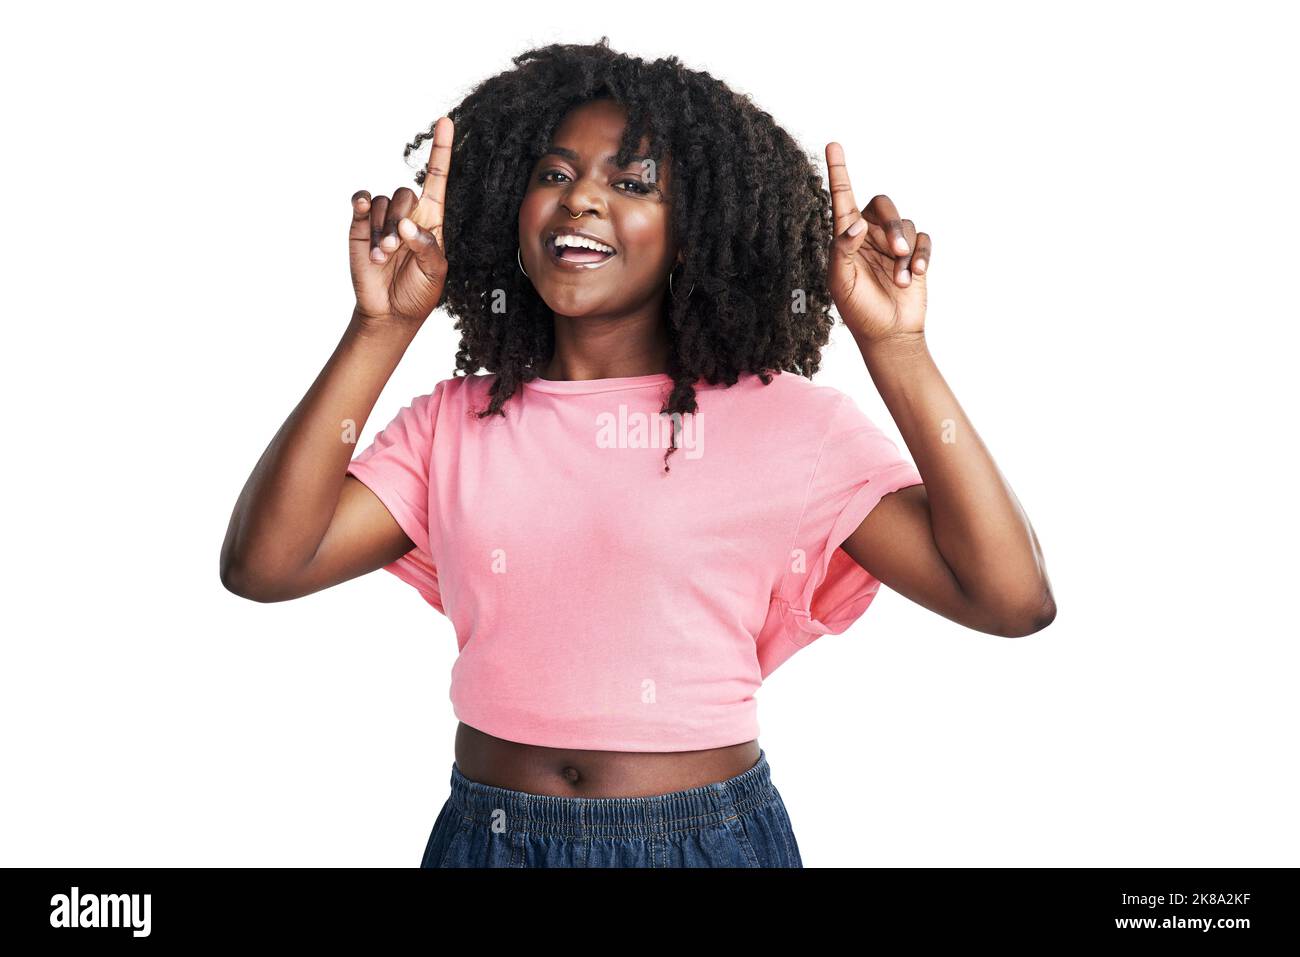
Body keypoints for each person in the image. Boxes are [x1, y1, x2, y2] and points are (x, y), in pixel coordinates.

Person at [219, 38, 1055, 868]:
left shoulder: (789, 425)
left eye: (631, 183)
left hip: (701, 843)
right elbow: (265, 565)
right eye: (554, 174)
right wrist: (380, 329)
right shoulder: (452, 423)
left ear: (691, 236)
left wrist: (899, 350)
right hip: (487, 841)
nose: (581, 200)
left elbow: (1011, 599)